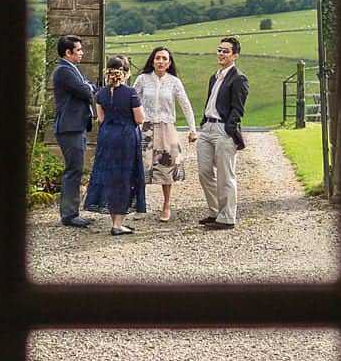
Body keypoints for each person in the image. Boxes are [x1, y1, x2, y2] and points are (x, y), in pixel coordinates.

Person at [82, 56, 148, 234]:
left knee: (110, 177)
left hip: (107, 137)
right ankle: (117, 225)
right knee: (125, 177)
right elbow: (140, 118)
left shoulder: (100, 93)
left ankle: (115, 221)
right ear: (126, 73)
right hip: (126, 138)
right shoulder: (131, 93)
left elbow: (101, 119)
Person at [133, 46, 198, 222]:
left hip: (166, 127)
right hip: (145, 128)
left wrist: (192, 129)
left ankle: (166, 205)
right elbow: (132, 100)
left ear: (169, 63)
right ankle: (139, 205)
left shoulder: (174, 82)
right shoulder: (142, 79)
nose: (160, 61)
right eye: (157, 58)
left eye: (164, 59)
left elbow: (185, 104)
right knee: (141, 167)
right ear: (152, 61)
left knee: (167, 167)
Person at [195, 36, 248, 230]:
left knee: (226, 175)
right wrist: (203, 122)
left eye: (226, 51)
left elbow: (238, 108)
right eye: (219, 50)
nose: (221, 54)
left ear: (235, 55)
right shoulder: (214, 77)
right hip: (207, 128)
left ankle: (227, 217)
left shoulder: (239, 78)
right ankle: (216, 210)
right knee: (204, 172)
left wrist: (229, 127)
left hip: (223, 128)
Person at [50, 35, 96, 228]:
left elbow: (88, 87)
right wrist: (88, 86)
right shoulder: (64, 71)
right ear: (68, 52)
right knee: (73, 170)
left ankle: (72, 212)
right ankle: (69, 215)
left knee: (76, 169)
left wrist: (88, 86)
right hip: (70, 127)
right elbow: (86, 91)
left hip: (76, 126)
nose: (82, 53)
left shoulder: (71, 69)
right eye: (78, 50)